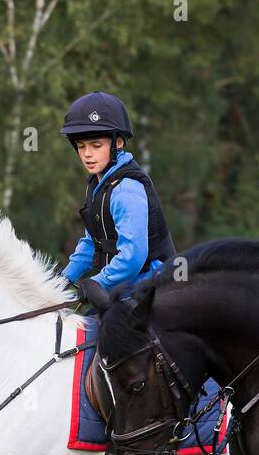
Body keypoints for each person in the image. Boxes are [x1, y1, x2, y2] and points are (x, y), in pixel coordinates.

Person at [59, 91, 176, 302]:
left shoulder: (126, 191)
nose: (87, 154)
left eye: (96, 146)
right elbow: (92, 242)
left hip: (152, 292)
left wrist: (97, 282)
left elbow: (133, 258)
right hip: (124, 291)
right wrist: (63, 280)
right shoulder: (98, 184)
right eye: (81, 146)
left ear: (118, 142)